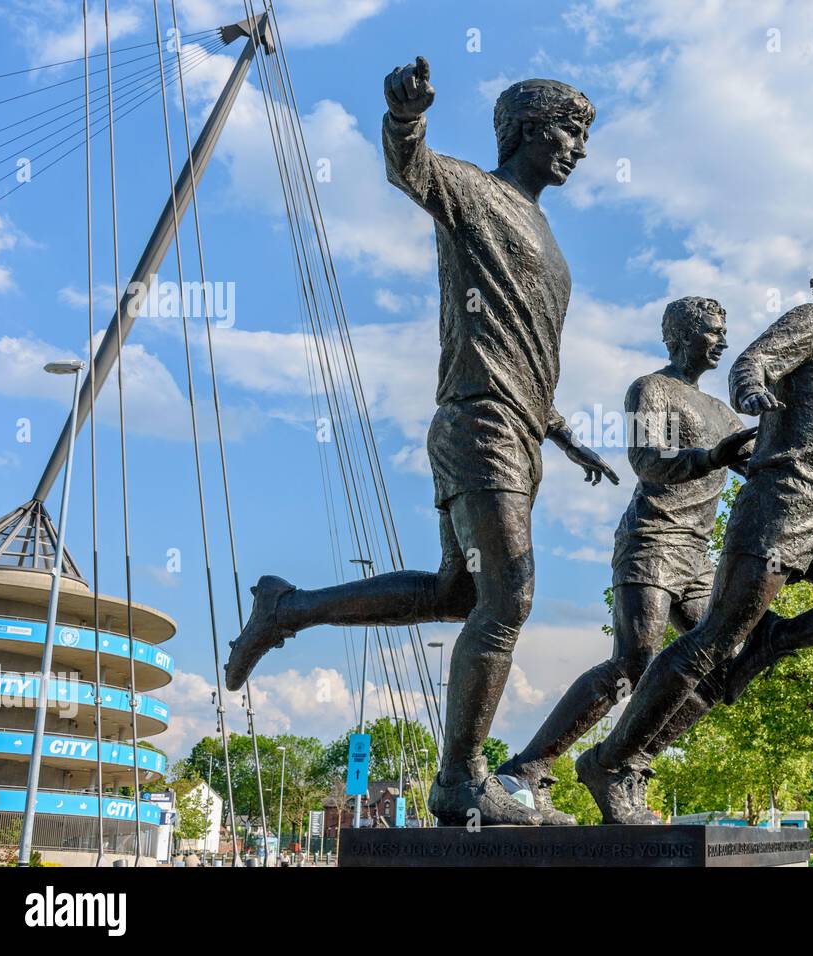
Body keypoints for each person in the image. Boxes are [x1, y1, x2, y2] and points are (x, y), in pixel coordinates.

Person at [224, 57, 619, 827]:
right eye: (569, 131)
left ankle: (287, 608)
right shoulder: (476, 192)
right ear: (528, 131)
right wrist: (406, 118)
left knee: (458, 594)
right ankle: (462, 778)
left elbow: (520, 343)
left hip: (517, 427)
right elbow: (412, 169)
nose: (580, 149)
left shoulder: (544, 228)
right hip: (480, 422)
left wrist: (564, 433)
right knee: (511, 596)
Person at [577, 227, 813, 822]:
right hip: (777, 513)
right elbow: (756, 360)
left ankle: (776, 639)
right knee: (712, 642)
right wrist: (750, 387)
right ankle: (612, 761)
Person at [497, 296, 756, 824]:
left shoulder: (726, 415)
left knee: (727, 667)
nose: (723, 341)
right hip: (652, 541)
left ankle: (624, 764)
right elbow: (647, 462)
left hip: (698, 558)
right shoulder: (650, 389)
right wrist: (711, 457)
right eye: (712, 330)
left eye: (725, 331)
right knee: (637, 660)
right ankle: (527, 768)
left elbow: (766, 471)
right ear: (680, 336)